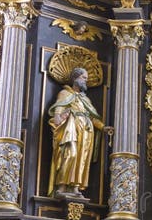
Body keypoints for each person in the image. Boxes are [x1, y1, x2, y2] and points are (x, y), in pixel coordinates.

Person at [48, 67, 113, 198]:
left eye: (87, 79)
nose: (86, 81)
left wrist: (103, 127)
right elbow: (58, 110)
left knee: (81, 158)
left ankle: (75, 187)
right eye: (84, 78)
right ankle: (61, 186)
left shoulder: (85, 99)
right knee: (69, 154)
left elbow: (93, 117)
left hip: (85, 132)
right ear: (75, 78)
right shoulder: (65, 94)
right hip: (70, 130)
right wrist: (58, 117)